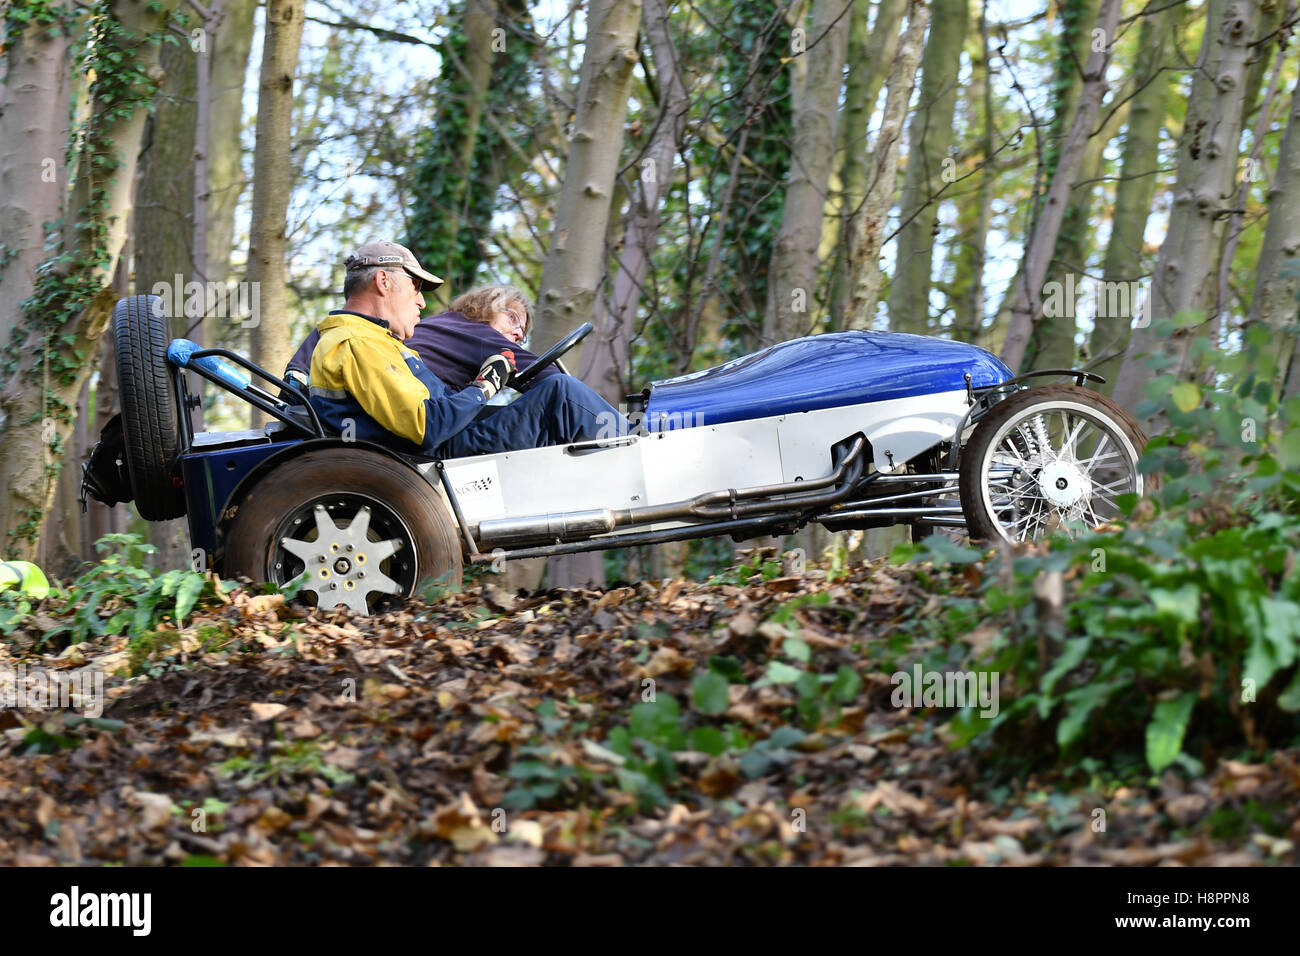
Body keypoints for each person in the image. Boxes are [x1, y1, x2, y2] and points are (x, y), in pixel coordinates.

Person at [302, 240, 626, 459]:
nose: (421, 301)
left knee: (551, 418)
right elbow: (428, 427)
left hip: (443, 444)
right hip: (443, 455)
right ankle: (640, 448)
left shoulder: (364, 339)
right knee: (561, 392)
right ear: (384, 282)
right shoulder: (358, 342)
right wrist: (484, 387)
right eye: (415, 288)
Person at [285, 283, 562, 393]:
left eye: (522, 334)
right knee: (561, 393)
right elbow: (546, 376)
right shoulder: (478, 333)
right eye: (512, 318)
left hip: (402, 399)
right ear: (487, 305)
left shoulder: (433, 326)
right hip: (426, 411)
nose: (516, 332)